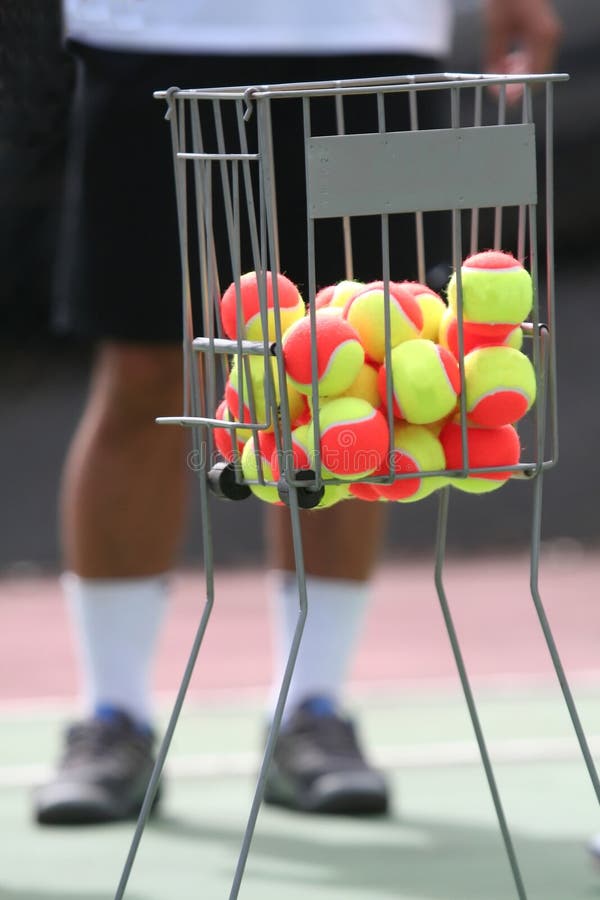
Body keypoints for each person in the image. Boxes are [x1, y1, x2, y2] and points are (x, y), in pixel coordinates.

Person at [34, 0, 562, 825]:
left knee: (368, 376)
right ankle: (112, 717)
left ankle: (310, 710)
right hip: (156, 38)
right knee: (143, 367)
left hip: (375, 41)